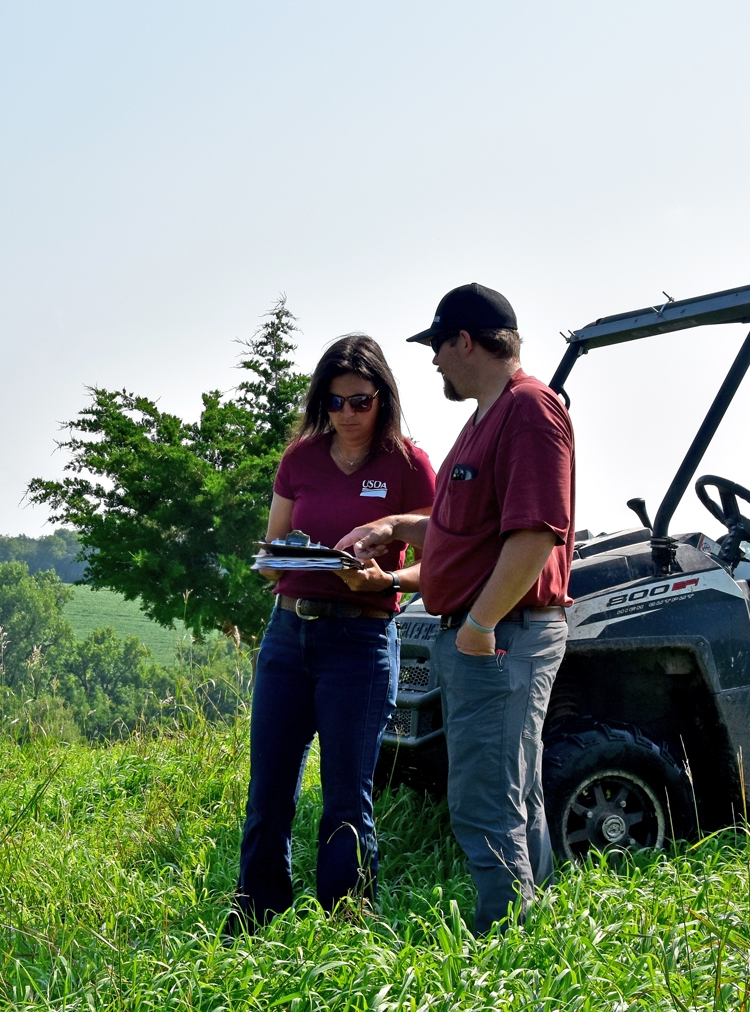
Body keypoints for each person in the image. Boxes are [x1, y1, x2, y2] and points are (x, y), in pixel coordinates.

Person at [337, 283, 575, 931]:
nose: (434, 361)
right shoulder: (485, 419)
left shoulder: (529, 412)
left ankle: (504, 947)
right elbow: (463, 537)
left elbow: (534, 535)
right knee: (514, 792)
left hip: (503, 636)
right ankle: (536, 936)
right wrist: (393, 533)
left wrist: (478, 625)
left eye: (437, 347)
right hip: (494, 632)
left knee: (483, 801)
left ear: (464, 341)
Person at [229, 333, 437, 931]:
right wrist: (277, 562)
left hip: (361, 639)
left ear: (383, 399)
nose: (347, 414)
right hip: (288, 635)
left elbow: (441, 560)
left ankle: (345, 928)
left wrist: (386, 579)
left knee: (347, 795)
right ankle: (254, 917)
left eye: (360, 401)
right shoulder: (301, 457)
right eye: (335, 402)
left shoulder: (408, 465)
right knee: (269, 789)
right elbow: (274, 546)